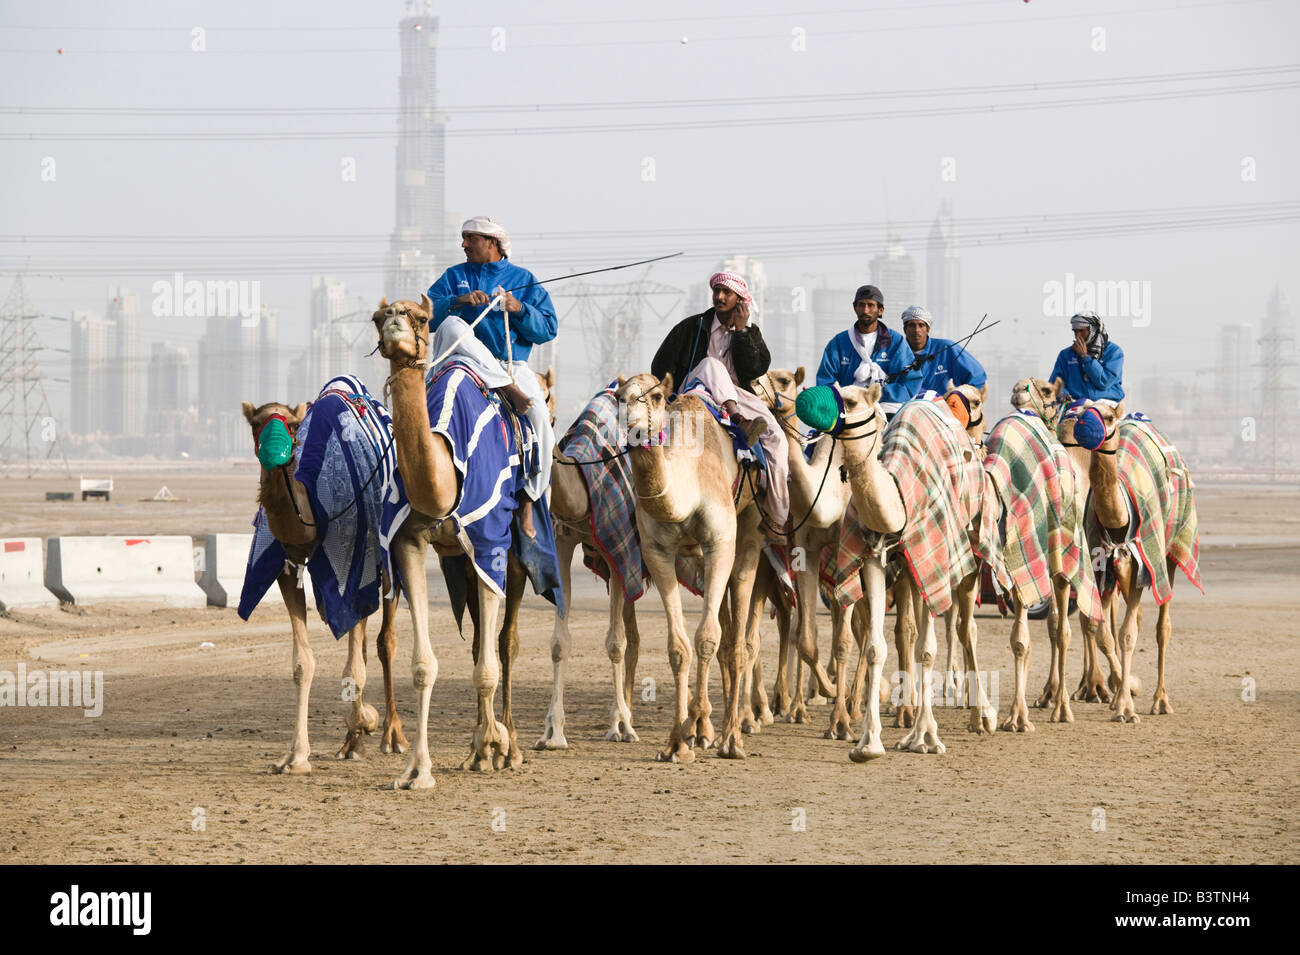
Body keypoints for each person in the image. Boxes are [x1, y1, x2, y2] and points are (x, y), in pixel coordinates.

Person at [426, 215, 558, 536]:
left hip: (512, 367)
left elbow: (548, 328)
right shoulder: (455, 276)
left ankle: (528, 500)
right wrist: (457, 300)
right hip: (465, 366)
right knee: (452, 325)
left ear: (491, 243)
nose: (463, 245)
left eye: (469, 238)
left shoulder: (523, 278)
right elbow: (427, 315)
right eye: (463, 238)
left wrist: (520, 309)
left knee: (541, 421)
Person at [650, 271, 789, 532]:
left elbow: (754, 370)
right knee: (712, 365)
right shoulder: (692, 327)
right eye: (717, 291)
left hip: (736, 394)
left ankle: (777, 519)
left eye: (726, 292)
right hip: (695, 390)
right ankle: (738, 421)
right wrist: (669, 399)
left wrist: (741, 332)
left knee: (778, 439)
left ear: (739, 299)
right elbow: (661, 366)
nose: (720, 296)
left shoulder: (751, 332)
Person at [815, 284, 919, 417]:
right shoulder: (839, 343)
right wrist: (847, 397)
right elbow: (825, 382)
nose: (865, 310)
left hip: (887, 406)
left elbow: (911, 381)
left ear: (880, 310)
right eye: (861, 305)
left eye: (870, 305)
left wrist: (876, 394)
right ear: (855, 308)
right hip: (846, 408)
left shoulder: (896, 342)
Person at [899, 305, 987, 395]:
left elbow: (977, 376)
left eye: (921, 325)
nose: (916, 330)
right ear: (905, 329)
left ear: (928, 329)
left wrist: (961, 398)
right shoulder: (896, 354)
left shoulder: (947, 348)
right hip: (908, 407)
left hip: (947, 406)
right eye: (912, 325)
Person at [1048, 310, 1124, 404]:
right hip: (1075, 404)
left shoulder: (1113, 352)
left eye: (1081, 331)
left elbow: (1104, 382)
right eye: (1075, 331)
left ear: (1094, 330)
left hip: (1106, 404)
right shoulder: (1066, 355)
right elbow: (1056, 383)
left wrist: (1085, 357)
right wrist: (1063, 394)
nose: (1078, 335)